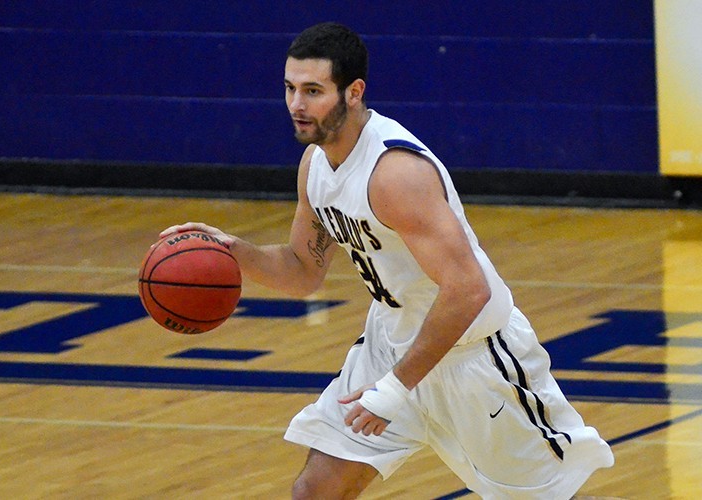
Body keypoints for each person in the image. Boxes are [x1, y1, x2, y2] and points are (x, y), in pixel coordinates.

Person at [161, 22, 614, 499]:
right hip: (390, 344)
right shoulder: (316, 165)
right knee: (315, 491)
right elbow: (302, 271)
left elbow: (469, 289)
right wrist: (232, 250)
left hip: (473, 357)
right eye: (290, 89)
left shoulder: (395, 174)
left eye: (313, 91)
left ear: (353, 93)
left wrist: (394, 390)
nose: (297, 105)